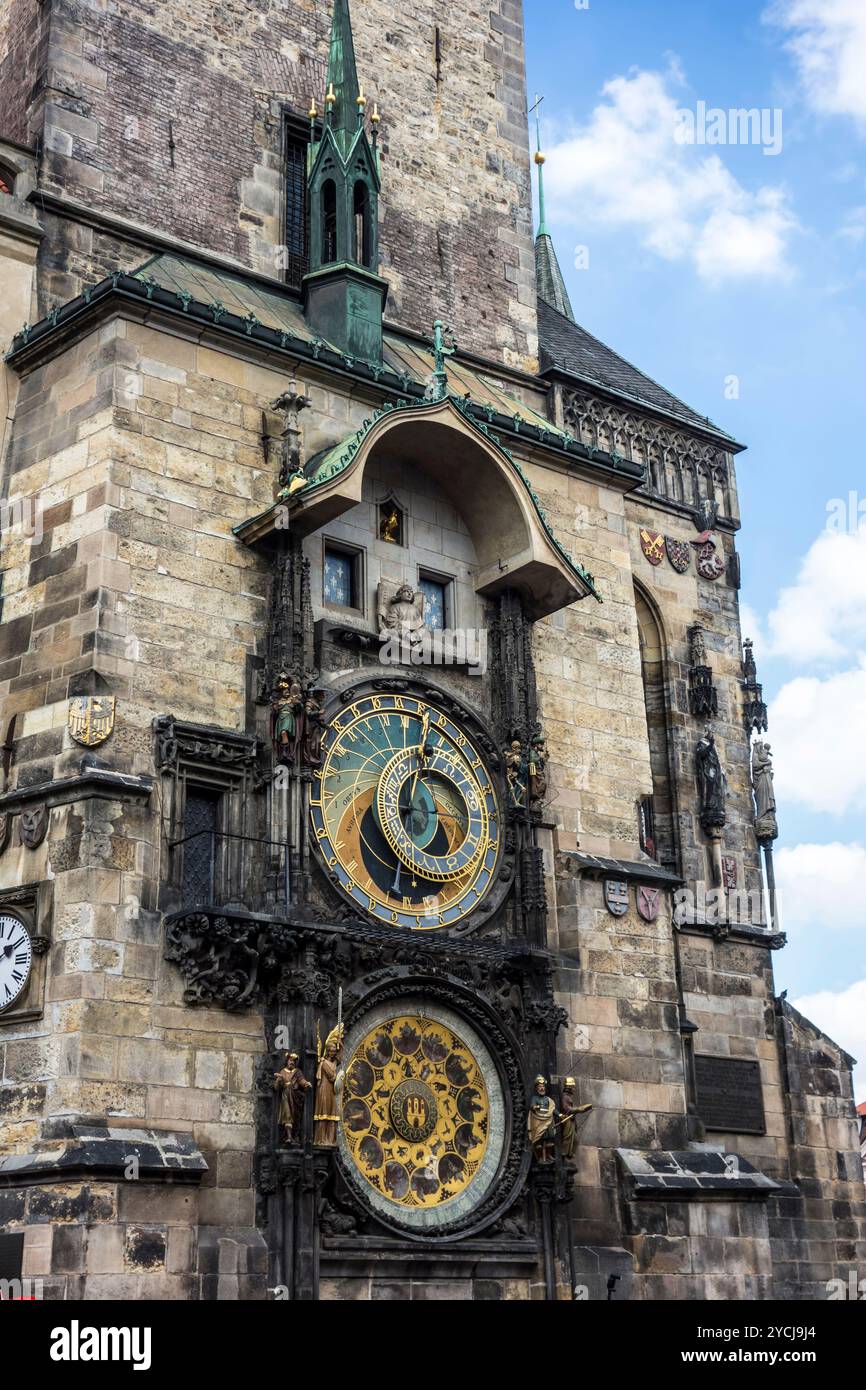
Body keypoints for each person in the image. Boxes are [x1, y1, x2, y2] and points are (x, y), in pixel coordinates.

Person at [273, 1052, 311, 1146]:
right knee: (287, 1116)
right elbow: (276, 1087)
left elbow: (301, 1080)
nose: (292, 1062)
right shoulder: (282, 1072)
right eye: (290, 1060)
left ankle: (294, 1136)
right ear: (287, 1061)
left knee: (295, 1117)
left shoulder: (297, 1072)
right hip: (285, 1096)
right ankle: (289, 1137)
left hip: (295, 1097)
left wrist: (306, 1084)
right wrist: (278, 1080)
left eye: (294, 1061)